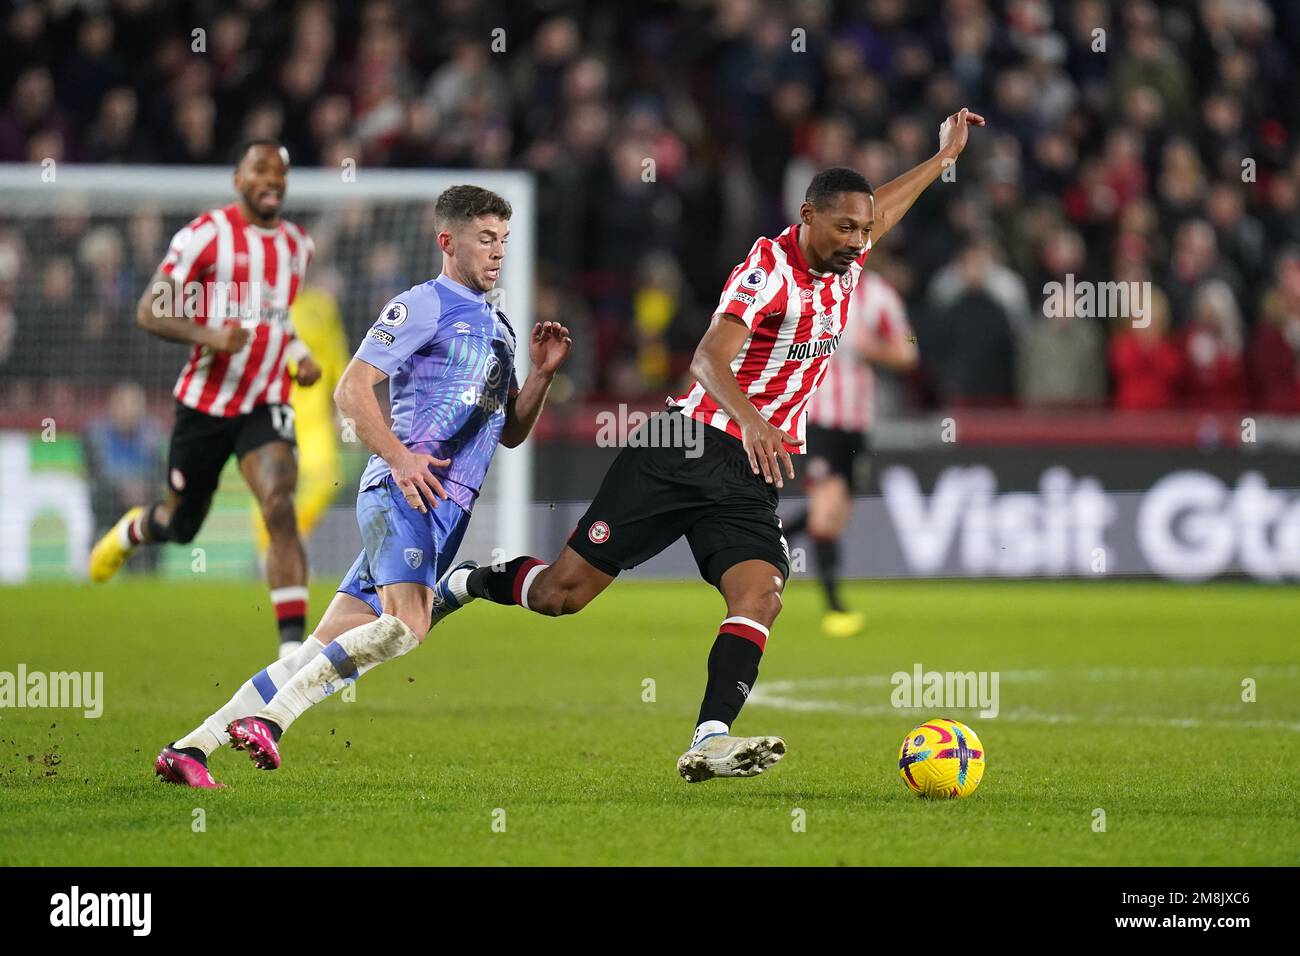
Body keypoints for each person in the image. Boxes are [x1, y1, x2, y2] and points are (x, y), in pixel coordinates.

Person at [435, 109, 984, 784]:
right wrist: (754, 418)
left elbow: (885, 211)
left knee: (762, 596)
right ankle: (466, 581)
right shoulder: (767, 268)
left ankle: (710, 737)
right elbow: (705, 359)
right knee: (560, 596)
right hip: (684, 446)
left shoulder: (849, 250)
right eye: (845, 226)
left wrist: (942, 156)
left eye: (864, 229)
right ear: (807, 216)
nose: (858, 240)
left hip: (750, 470)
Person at [154, 185, 571, 788]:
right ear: (447, 242)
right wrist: (401, 458)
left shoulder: (501, 328)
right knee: (407, 627)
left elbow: (509, 433)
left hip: (442, 509)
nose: (498, 252)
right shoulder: (422, 305)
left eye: (503, 240)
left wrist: (540, 376)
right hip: (407, 493)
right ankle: (273, 720)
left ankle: (190, 749)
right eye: (486, 238)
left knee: (321, 647)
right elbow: (351, 388)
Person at [89, 139, 323, 658]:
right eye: (259, 170)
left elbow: (275, 314)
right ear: (238, 179)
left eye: (280, 174)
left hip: (264, 400)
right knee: (181, 524)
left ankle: (291, 657)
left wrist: (299, 352)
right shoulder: (204, 237)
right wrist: (210, 336)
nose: (272, 181)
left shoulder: (297, 246)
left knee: (279, 504)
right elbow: (150, 312)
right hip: (205, 403)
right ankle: (132, 529)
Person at [782, 269, 917, 637]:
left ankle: (772, 537)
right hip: (818, 418)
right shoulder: (806, 289)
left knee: (835, 514)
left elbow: (909, 343)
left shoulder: (880, 295)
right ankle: (835, 609)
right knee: (826, 511)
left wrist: (879, 350)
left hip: (857, 423)